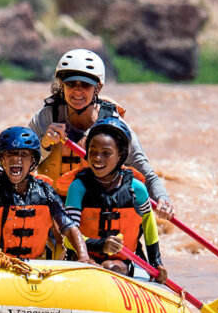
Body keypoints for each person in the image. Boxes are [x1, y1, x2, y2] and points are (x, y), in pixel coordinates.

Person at [27, 48, 176, 220]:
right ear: (62, 85)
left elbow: (146, 174)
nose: (77, 91)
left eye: (85, 85)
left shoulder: (115, 125)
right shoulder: (46, 117)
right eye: (71, 84)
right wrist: (44, 144)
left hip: (97, 209)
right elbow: (21, 165)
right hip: (55, 206)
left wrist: (163, 199)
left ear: (98, 87)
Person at [62, 118, 168, 282]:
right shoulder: (78, 187)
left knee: (111, 266)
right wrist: (100, 244)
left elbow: (149, 229)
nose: (97, 158)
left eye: (106, 153)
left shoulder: (137, 189)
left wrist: (156, 263)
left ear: (121, 155)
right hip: (83, 257)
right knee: (96, 265)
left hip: (122, 262)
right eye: (92, 152)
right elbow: (69, 238)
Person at [0, 126, 90, 263]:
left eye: (23, 154)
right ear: (1, 159)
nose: (16, 159)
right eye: (10, 154)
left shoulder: (45, 191)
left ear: (33, 160)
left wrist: (83, 256)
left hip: (34, 263)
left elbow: (69, 228)